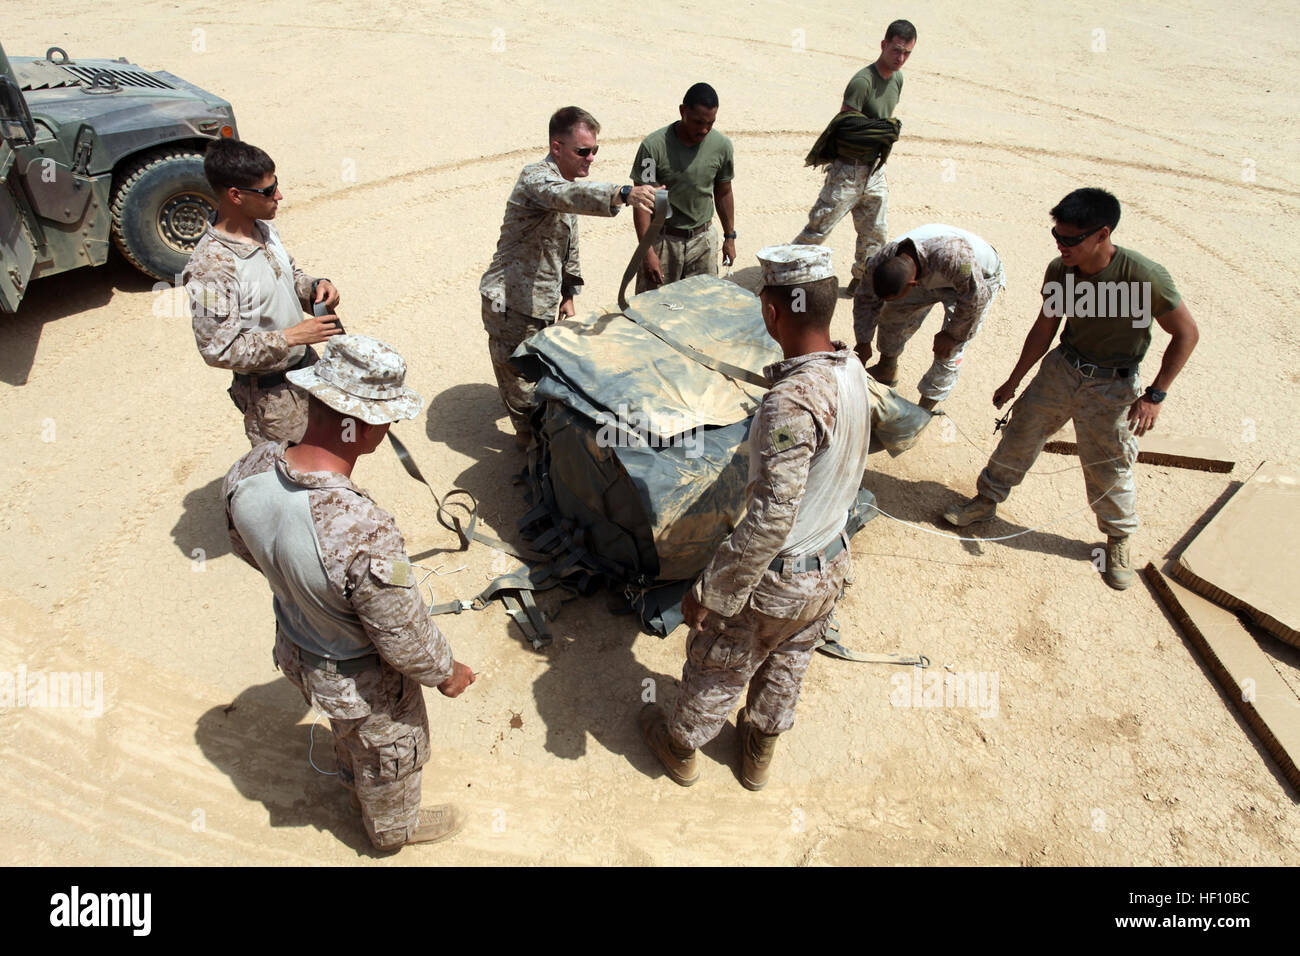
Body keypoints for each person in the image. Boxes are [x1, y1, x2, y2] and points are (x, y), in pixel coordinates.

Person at [222, 335, 477, 850]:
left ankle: (352, 775)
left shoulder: (247, 470)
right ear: (365, 425)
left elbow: (245, 547)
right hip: (362, 681)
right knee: (392, 754)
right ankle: (391, 829)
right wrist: (448, 672)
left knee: (350, 733)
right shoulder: (364, 530)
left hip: (297, 649)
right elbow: (402, 637)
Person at [639, 244, 871, 790]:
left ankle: (680, 746)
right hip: (830, 564)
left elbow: (770, 518)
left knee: (721, 662)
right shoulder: (851, 368)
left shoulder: (791, 402)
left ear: (771, 311)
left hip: (777, 578)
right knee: (788, 661)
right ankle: (758, 751)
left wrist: (711, 592)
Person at [941, 188, 1199, 591]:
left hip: (1113, 384)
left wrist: (1155, 395)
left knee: (1108, 461)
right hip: (1063, 368)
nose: (1062, 246)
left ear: (1102, 234)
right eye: (1057, 236)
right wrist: (1015, 379)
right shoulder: (1061, 271)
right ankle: (986, 502)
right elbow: (1046, 326)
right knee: (1020, 435)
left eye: (1072, 239)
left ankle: (1116, 539)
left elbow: (1185, 334)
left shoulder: (1144, 277)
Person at [480, 107, 658, 447]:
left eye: (595, 151)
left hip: (545, 299)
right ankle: (527, 442)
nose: (590, 158)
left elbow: (568, 244)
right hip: (512, 303)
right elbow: (564, 197)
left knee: (545, 373)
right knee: (518, 378)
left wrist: (569, 293)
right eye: (583, 151)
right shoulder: (535, 179)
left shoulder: (566, 183)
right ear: (557, 147)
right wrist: (622, 193)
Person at [185, 139, 343, 446]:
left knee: (326, 459)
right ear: (236, 195)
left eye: (276, 185)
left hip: (307, 372)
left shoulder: (265, 230)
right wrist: (290, 337)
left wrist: (314, 288)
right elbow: (218, 349)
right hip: (273, 398)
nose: (279, 196)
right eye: (268, 191)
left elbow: (288, 274)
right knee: (292, 477)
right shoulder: (210, 269)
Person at [793, 19, 916, 296]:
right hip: (848, 170)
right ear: (883, 45)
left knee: (875, 234)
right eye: (896, 50)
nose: (900, 58)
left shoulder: (898, 78)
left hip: (874, 170)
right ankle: (783, 276)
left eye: (907, 53)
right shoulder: (862, 82)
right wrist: (874, 132)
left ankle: (864, 281)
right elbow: (845, 128)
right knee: (817, 230)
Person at [853, 223, 1006, 409]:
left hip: (977, 280)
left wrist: (953, 334)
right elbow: (865, 298)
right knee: (892, 314)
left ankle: (922, 414)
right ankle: (887, 368)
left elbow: (975, 297)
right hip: (935, 273)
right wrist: (863, 341)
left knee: (948, 350)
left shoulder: (956, 259)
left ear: (912, 284)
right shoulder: (881, 260)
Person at [630, 82, 736, 291]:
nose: (704, 129)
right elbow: (642, 203)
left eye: (710, 123)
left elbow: (724, 192)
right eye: (698, 122)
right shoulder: (653, 147)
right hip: (663, 242)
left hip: (702, 242)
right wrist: (647, 252)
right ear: (682, 111)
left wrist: (729, 237)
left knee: (702, 309)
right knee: (653, 310)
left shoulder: (722, 146)